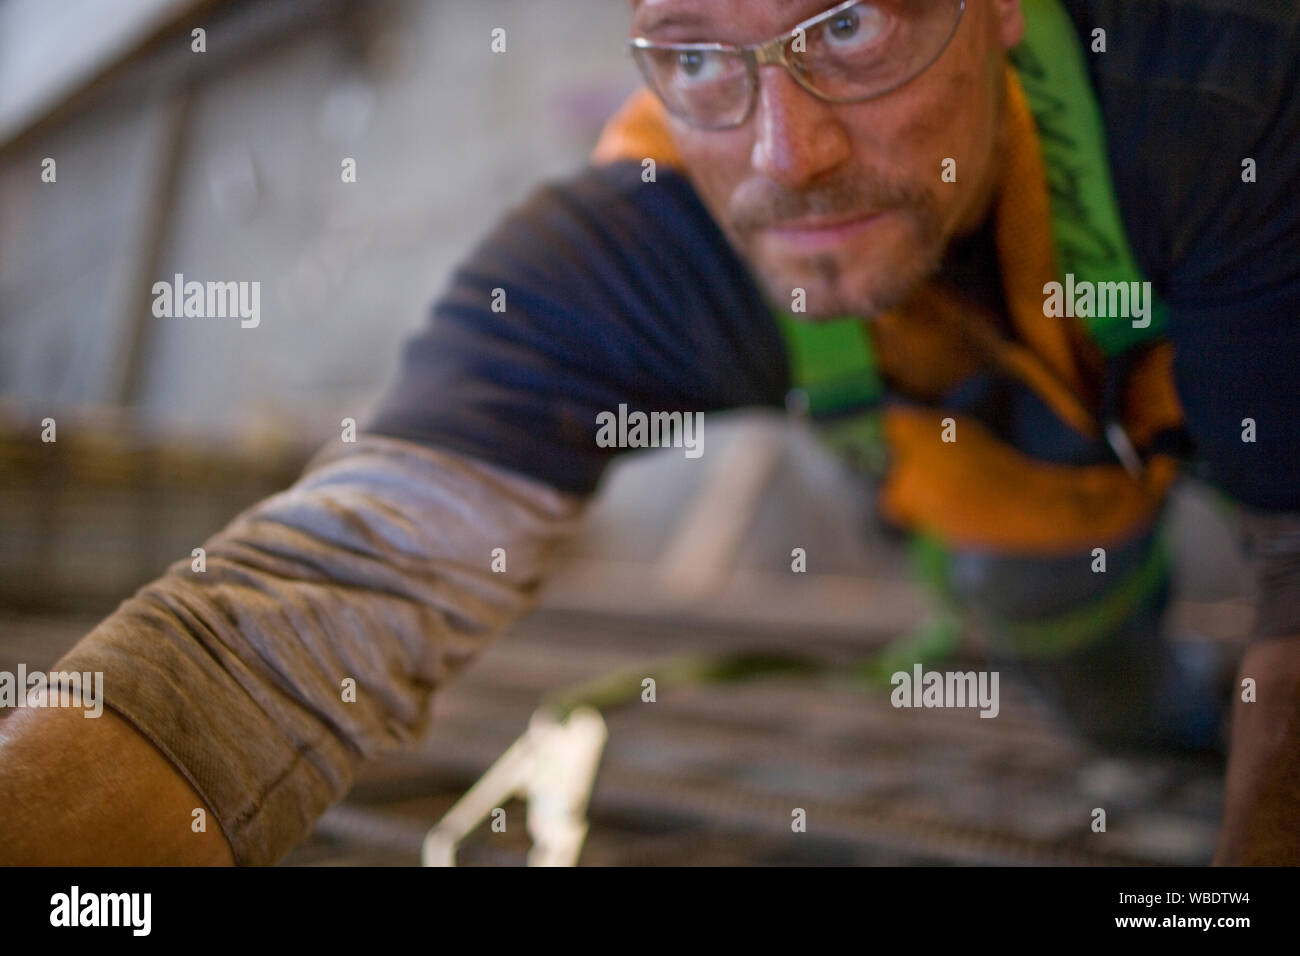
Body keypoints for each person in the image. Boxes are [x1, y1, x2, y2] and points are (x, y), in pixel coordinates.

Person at [1, 0, 1296, 866]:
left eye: (846, 24)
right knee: (1117, 704)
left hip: (1229, 389)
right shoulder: (639, 233)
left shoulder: (1233, 99)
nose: (787, 156)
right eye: (693, 55)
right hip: (1012, 502)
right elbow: (309, 608)